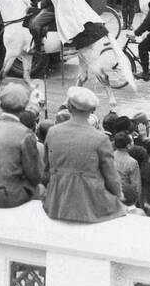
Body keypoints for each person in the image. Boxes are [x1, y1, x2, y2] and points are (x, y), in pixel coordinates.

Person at [42, 87, 124, 223]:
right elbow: (111, 178)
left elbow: (45, 169)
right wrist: (118, 195)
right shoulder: (100, 138)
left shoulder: (53, 132)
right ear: (92, 110)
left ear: (69, 107)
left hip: (56, 200)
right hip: (88, 203)